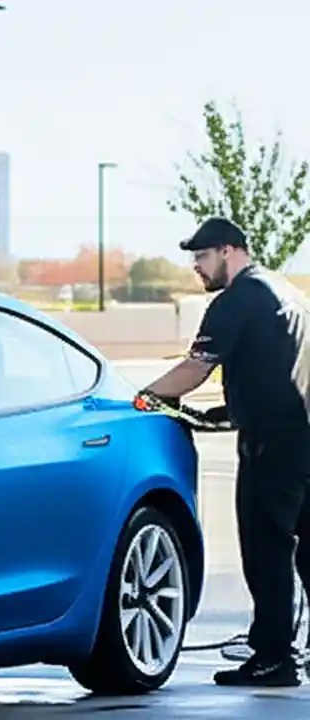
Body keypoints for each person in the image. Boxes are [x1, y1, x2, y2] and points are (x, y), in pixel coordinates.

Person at [140, 217, 310, 687]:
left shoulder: (235, 301)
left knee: (266, 553)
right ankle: (282, 649)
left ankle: (274, 658)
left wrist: (141, 399)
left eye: (202, 256)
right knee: (306, 552)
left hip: (271, 449)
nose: (197, 266)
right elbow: (276, 371)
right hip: (303, 439)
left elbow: (194, 369)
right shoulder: (285, 292)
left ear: (229, 251)